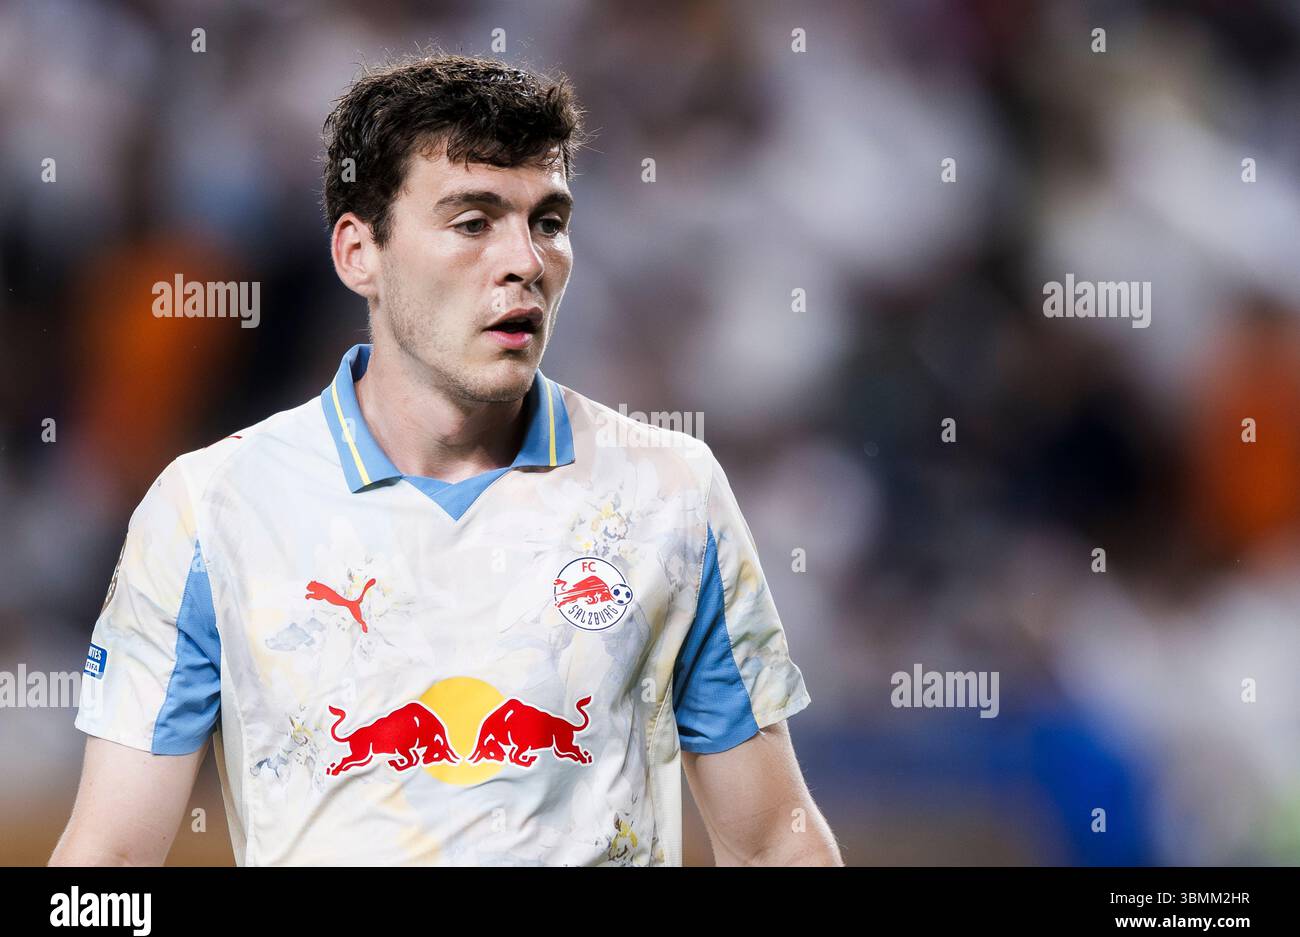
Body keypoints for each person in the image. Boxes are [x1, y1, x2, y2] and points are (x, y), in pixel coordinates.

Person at [50, 52, 840, 866]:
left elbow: (776, 845)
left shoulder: (671, 492)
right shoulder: (209, 508)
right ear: (360, 254)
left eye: (548, 222)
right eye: (473, 221)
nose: (526, 263)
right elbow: (109, 861)